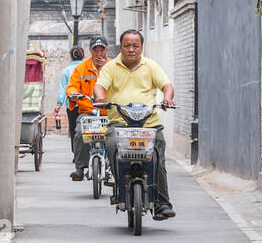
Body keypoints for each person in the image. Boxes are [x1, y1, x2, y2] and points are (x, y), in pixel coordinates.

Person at [93, 30, 175, 219]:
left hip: (149, 124)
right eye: (127, 45)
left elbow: (166, 85)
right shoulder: (110, 67)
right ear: (120, 47)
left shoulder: (151, 66)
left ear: (141, 48)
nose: (131, 50)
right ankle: (118, 183)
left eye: (135, 46)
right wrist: (100, 97)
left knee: (158, 157)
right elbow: (100, 86)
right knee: (111, 144)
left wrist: (168, 99)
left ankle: (162, 203)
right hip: (120, 123)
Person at [66, 37, 110, 181]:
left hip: (110, 113)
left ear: (106, 50)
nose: (98, 53)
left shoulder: (114, 66)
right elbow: (72, 85)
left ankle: (115, 167)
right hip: (88, 112)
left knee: (115, 136)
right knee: (79, 133)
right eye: (95, 50)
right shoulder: (81, 68)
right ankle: (80, 167)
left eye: (101, 50)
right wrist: (72, 93)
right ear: (90, 50)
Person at [55, 46, 85, 141]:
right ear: (83, 56)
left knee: (73, 130)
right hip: (86, 104)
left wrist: (59, 104)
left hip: (72, 105)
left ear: (71, 56)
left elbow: (63, 90)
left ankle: (75, 152)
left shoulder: (67, 70)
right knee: (87, 129)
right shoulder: (87, 69)